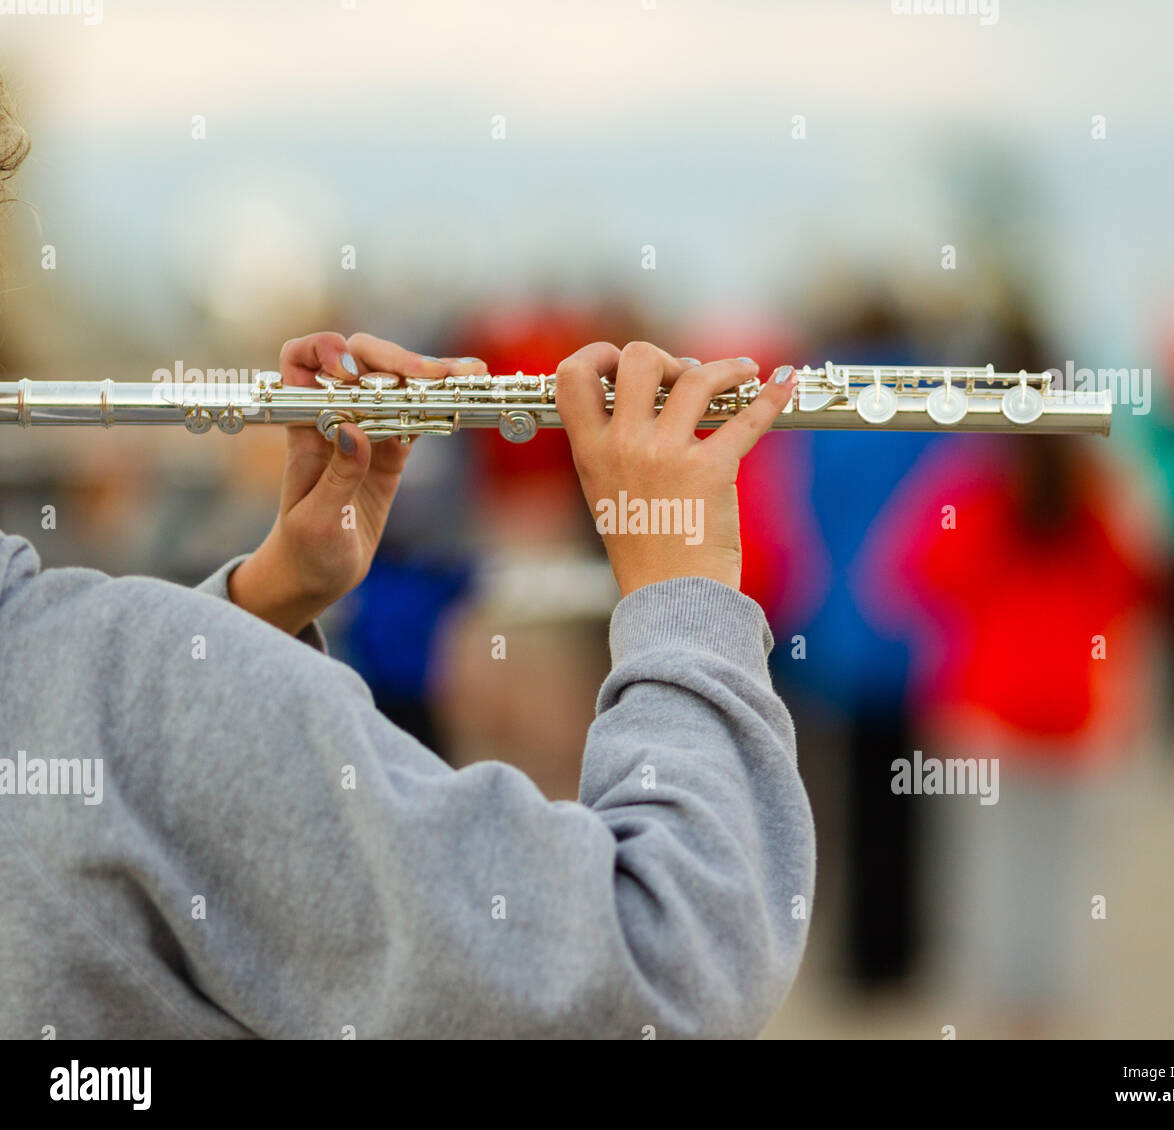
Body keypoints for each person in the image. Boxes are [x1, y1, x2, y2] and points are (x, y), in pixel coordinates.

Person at [0, 78, 814, 1038]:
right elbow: (668, 969)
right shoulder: (102, 691)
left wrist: (254, 612)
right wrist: (683, 590)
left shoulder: (97, 689)